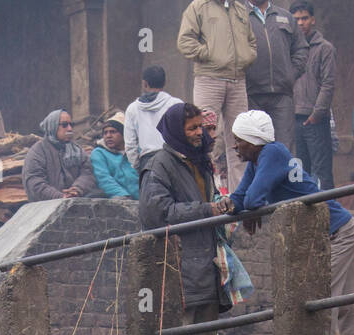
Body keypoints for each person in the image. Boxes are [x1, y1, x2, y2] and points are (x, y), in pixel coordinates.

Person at [215, 111, 354, 335]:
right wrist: (235, 206)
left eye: (239, 141)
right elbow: (240, 197)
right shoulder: (259, 160)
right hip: (335, 233)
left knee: (321, 303)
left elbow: (253, 198)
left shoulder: (273, 153)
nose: (235, 147)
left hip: (337, 233)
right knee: (348, 305)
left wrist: (245, 207)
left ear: (254, 141)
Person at [138, 102, 229, 335]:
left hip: (208, 262)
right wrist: (207, 210)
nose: (199, 133)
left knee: (205, 334)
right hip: (179, 264)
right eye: (192, 128)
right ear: (177, 131)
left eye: (201, 126)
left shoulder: (200, 161)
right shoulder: (158, 166)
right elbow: (157, 213)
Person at [178, 0, 258, 194]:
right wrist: (210, 54)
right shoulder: (198, 6)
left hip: (238, 79)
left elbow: (252, 42)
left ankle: (242, 195)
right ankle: (208, 193)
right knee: (204, 134)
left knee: (241, 138)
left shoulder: (240, 7)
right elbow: (185, 41)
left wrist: (247, 56)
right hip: (209, 78)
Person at [245, 0, 308, 153]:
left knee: (284, 149)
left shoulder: (286, 17)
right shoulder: (239, 17)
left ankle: (283, 178)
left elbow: (301, 49)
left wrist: (290, 75)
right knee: (254, 149)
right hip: (251, 95)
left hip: (282, 95)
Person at [290, 2, 335, 189]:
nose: (301, 23)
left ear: (312, 20)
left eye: (304, 18)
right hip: (292, 118)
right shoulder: (287, 48)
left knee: (322, 172)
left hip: (315, 119)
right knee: (297, 172)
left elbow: (328, 83)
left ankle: (331, 213)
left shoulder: (325, 48)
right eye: (296, 19)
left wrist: (317, 113)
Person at [23, 109, 101, 201]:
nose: (69, 129)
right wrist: (59, 196)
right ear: (53, 127)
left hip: (75, 200)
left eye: (71, 125)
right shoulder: (37, 152)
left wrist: (77, 189)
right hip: (46, 206)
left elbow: (88, 173)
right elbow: (35, 182)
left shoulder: (77, 150)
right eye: (64, 125)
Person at [124, 65, 180, 173]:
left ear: (144, 83)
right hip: (173, 160)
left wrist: (139, 166)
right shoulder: (176, 104)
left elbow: (130, 145)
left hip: (148, 162)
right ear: (164, 82)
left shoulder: (132, 109)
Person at [92, 114, 141, 199]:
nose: (108, 136)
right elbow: (104, 179)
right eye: (105, 133)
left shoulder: (137, 151)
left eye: (113, 131)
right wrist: (123, 195)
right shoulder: (99, 153)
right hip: (118, 201)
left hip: (143, 200)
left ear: (124, 134)